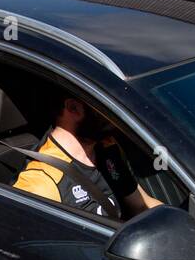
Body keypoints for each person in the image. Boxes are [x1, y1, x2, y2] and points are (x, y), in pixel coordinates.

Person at [13, 94, 163, 220]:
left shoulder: (107, 147)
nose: (116, 115)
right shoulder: (42, 181)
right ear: (73, 107)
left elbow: (142, 205)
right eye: (105, 106)